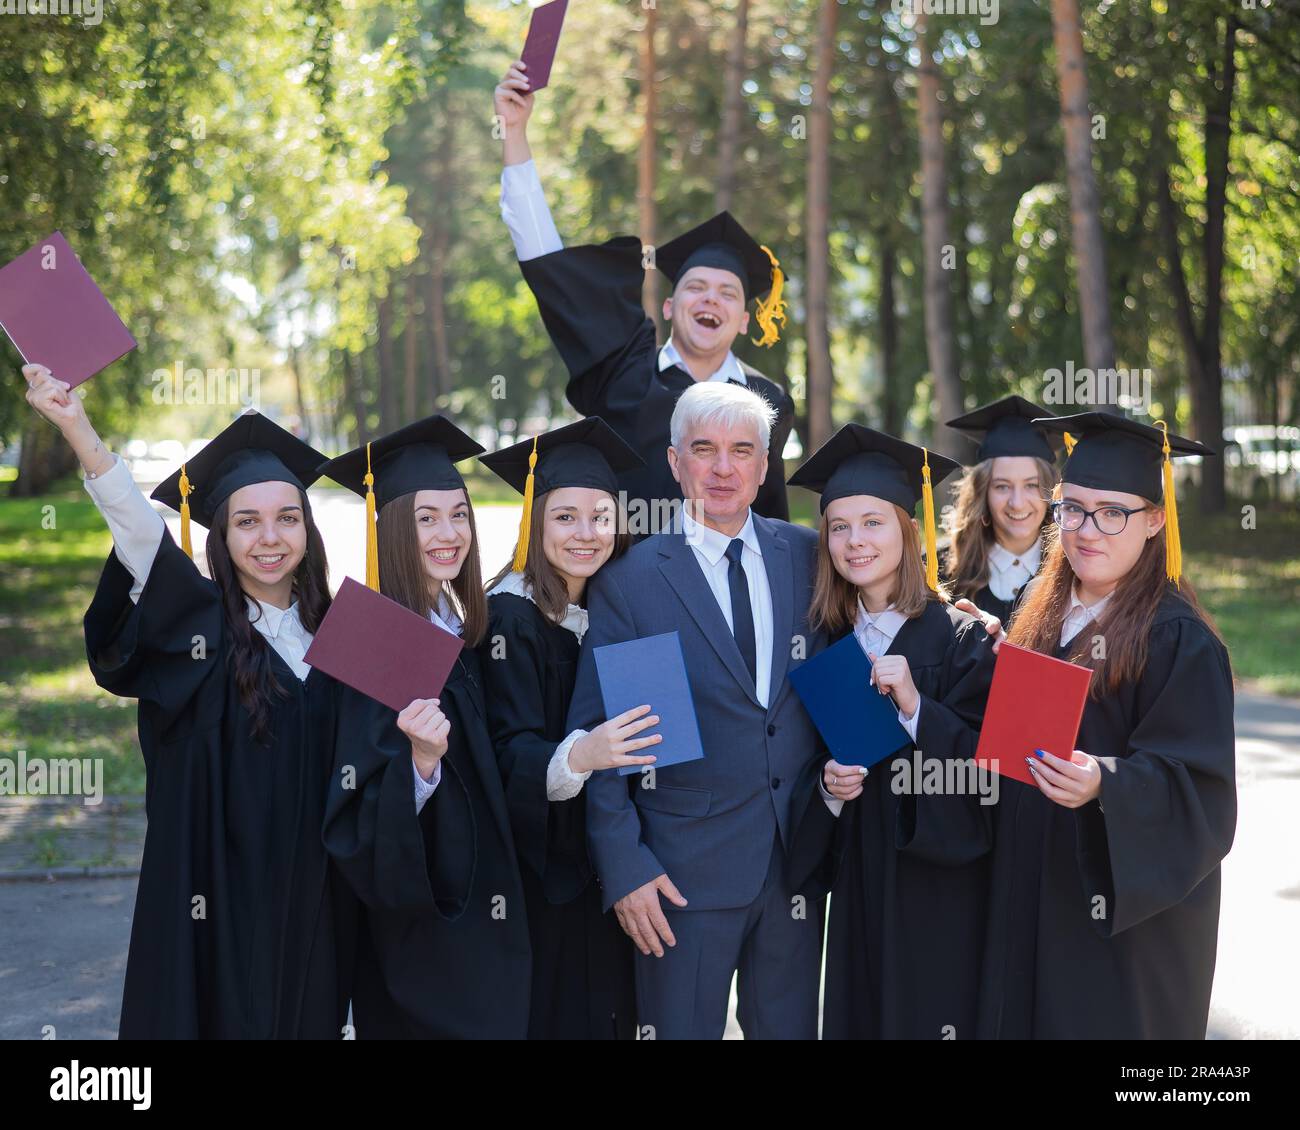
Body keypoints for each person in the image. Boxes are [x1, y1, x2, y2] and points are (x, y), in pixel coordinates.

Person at [24, 365, 355, 1039]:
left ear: (308, 530)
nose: (270, 539)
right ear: (222, 538)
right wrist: (77, 429)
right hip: (219, 896)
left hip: (319, 901)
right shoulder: (201, 626)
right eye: (247, 522)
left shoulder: (343, 634)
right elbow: (141, 535)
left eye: (287, 519)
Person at [562, 382, 826, 1039]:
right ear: (675, 463)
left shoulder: (809, 557)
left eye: (743, 450)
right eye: (703, 450)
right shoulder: (634, 579)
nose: (724, 468)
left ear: (766, 466)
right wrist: (625, 868)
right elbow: (611, 740)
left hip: (795, 868)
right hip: (679, 880)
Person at [984, 411, 1236, 1038]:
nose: (1087, 530)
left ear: (1155, 520)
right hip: (1035, 894)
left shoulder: (1177, 638)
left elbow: (1200, 788)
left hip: (1120, 926)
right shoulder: (1040, 615)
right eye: (1072, 508)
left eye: (1112, 512)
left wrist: (1107, 783)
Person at [493, 59, 796, 527]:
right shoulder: (625, 372)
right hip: (629, 590)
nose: (710, 299)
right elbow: (552, 269)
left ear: (743, 320)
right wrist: (514, 133)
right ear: (671, 307)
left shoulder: (766, 398)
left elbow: (771, 516)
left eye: (727, 294)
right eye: (696, 288)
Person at [318, 415, 531, 1038]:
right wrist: (421, 764)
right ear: (390, 528)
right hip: (425, 920)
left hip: (486, 902)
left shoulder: (461, 625)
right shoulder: (371, 638)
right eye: (426, 518)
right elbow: (349, 807)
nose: (449, 534)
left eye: (459, 514)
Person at [786, 424, 996, 1039]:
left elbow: (990, 778)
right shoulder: (823, 643)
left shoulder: (962, 641)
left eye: (874, 522)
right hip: (857, 890)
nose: (856, 541)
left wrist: (916, 711)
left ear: (908, 528)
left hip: (939, 895)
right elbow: (796, 767)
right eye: (840, 526)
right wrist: (826, 788)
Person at [479, 417, 652, 1039]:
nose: (587, 533)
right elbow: (502, 753)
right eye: (566, 517)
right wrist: (582, 755)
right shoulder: (511, 618)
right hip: (541, 874)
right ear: (534, 521)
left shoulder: (617, 606)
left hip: (612, 862)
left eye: (601, 516)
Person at [942, 395, 1060, 625]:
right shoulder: (943, 574)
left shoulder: (1072, 572)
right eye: (1002, 486)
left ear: (1051, 490)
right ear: (982, 491)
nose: (1017, 502)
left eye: (1032, 485)